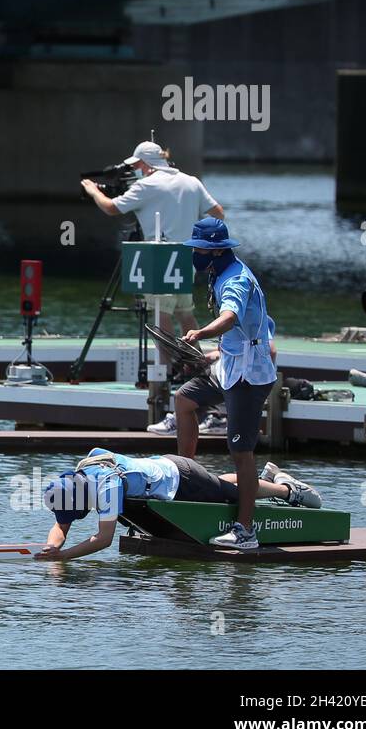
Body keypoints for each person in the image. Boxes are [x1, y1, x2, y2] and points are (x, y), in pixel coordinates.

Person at [176, 216, 277, 549]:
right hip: (230, 364)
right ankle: (186, 480)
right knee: (184, 400)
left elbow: (231, 316)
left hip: (249, 375)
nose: (196, 255)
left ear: (216, 251)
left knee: (241, 452)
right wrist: (219, 351)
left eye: (200, 250)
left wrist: (203, 332)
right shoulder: (220, 271)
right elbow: (258, 322)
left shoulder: (234, 279)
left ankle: (246, 531)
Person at [36, 446, 321, 561]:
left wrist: (64, 557)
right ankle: (264, 478)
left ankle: (288, 490)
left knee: (234, 496)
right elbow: (60, 525)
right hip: (168, 469)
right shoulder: (82, 471)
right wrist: (52, 547)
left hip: (180, 478)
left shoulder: (106, 485)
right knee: (219, 485)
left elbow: (104, 539)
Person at [82, 140, 224, 342]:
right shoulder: (191, 181)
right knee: (184, 312)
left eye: (136, 165)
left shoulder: (146, 185)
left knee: (160, 313)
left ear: (146, 163)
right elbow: (218, 214)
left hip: (161, 257)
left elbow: (111, 208)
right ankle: (195, 364)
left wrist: (93, 191)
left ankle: (164, 369)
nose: (135, 169)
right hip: (187, 257)